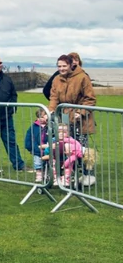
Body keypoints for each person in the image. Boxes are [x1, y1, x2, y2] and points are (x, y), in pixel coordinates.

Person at [47, 54, 97, 187]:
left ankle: (88, 175)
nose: (61, 68)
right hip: (64, 119)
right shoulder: (57, 79)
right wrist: (50, 110)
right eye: (59, 66)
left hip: (81, 120)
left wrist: (80, 112)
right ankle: (68, 176)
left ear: (70, 66)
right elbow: (53, 97)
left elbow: (90, 99)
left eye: (64, 66)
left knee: (81, 149)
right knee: (66, 149)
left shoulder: (82, 77)